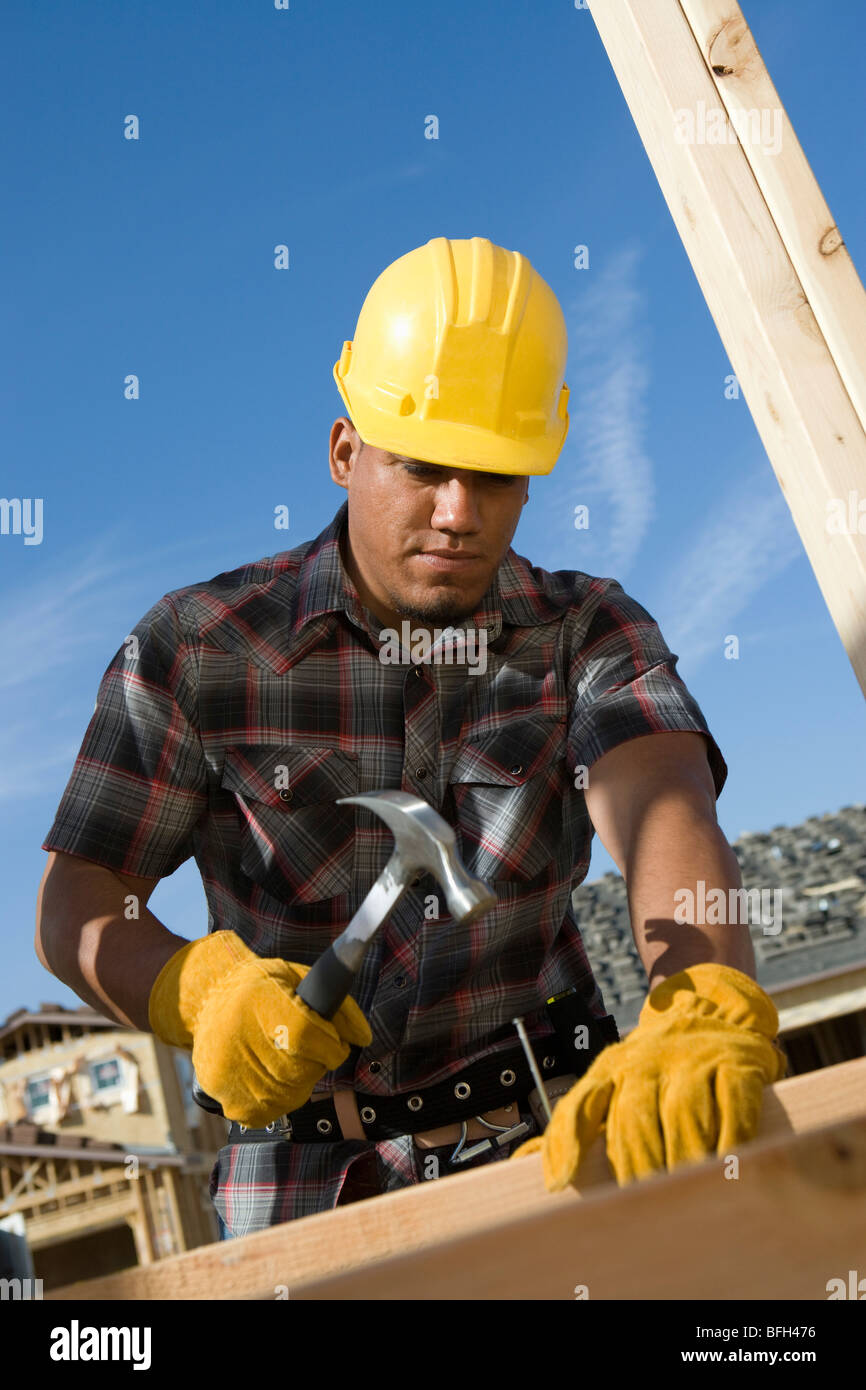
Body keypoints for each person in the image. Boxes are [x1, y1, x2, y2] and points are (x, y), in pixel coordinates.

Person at [35, 236, 786, 1240]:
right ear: (345, 450)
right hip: (299, 1185)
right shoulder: (197, 650)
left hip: (555, 1134)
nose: (457, 513)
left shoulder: (586, 632)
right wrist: (193, 990)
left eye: (496, 476)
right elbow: (76, 902)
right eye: (423, 466)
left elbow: (662, 809)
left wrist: (700, 999)